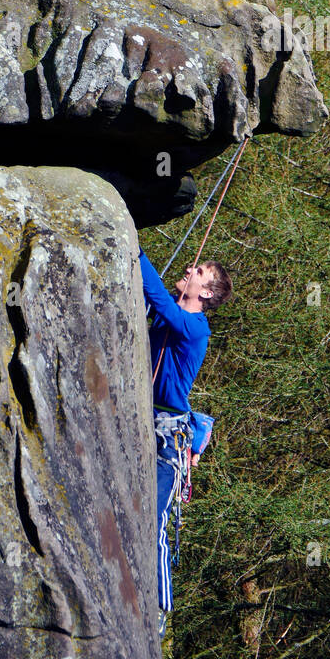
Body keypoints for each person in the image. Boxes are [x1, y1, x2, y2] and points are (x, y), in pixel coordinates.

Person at [139, 247, 233, 637]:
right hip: (145, 418)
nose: (190, 270)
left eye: (200, 271)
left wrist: (137, 252)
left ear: (206, 293)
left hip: (167, 434)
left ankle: (160, 607)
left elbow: (159, 299)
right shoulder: (170, 320)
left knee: (154, 520)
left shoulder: (195, 328)